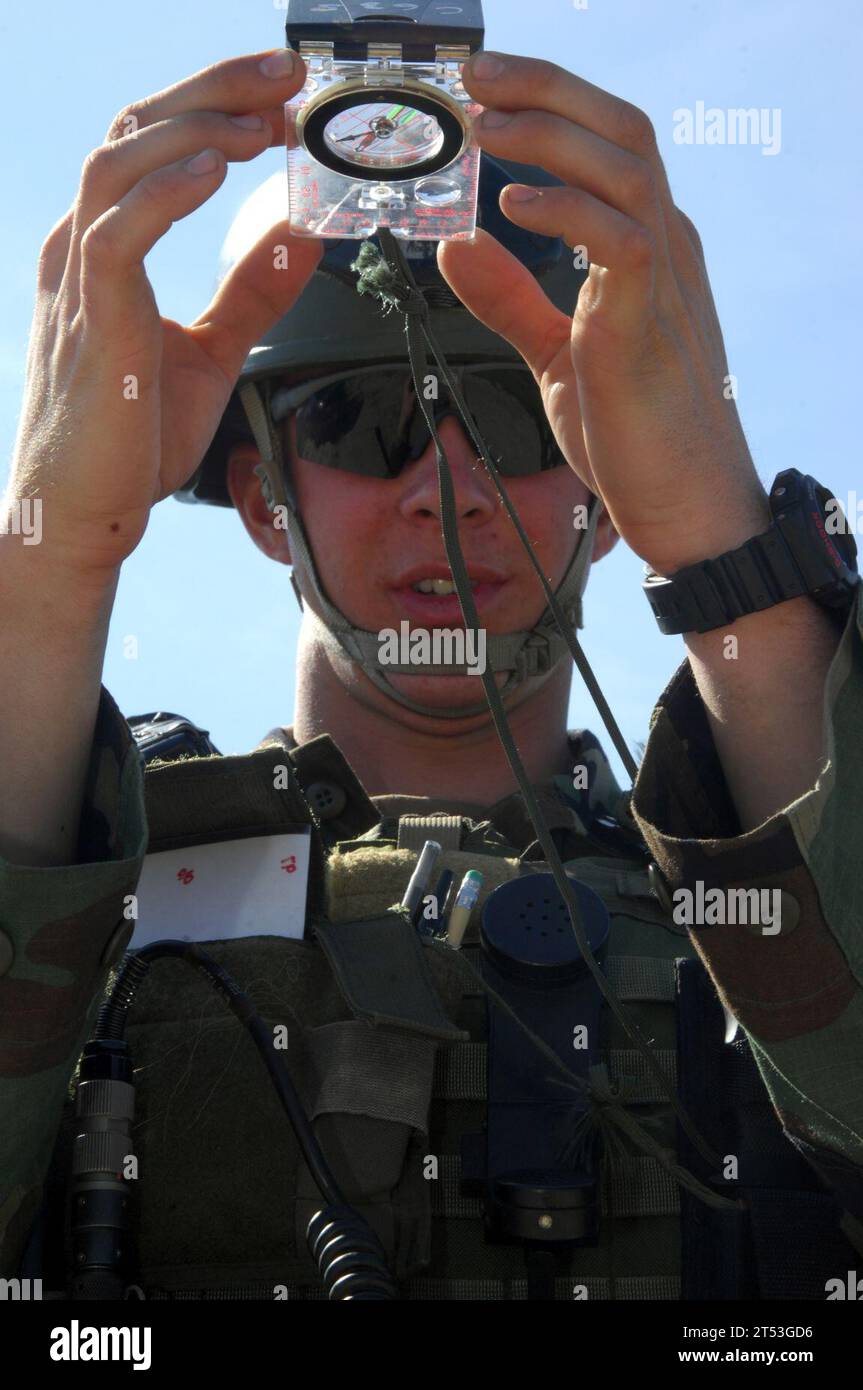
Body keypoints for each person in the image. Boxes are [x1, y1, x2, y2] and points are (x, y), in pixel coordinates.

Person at [1, 44, 861, 1303]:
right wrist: (51, 569)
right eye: (364, 419)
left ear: (606, 490)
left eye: (512, 414)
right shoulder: (101, 882)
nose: (447, 496)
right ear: (261, 500)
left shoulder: (743, 904)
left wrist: (727, 551)